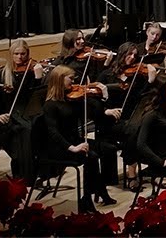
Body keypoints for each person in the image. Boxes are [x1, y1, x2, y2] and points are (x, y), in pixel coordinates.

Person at [41, 65, 116, 211]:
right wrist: (73, 148)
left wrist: (104, 97)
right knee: (91, 157)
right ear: (59, 80)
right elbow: (53, 133)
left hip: (75, 140)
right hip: (60, 147)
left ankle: (101, 189)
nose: (74, 82)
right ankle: (86, 198)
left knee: (109, 149)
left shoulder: (73, 99)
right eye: (71, 78)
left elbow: (96, 111)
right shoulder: (50, 105)